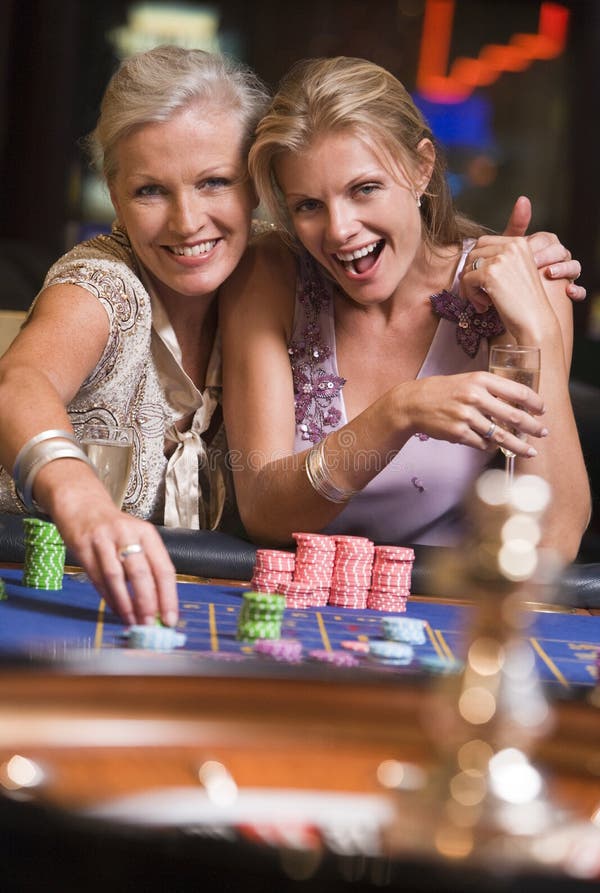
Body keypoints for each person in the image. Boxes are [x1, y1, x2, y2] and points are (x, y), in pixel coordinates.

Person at [221, 56, 590, 562]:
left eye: (364, 189)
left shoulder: (519, 288)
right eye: (309, 205)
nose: (339, 230)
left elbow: (550, 545)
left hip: (442, 610)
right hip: (291, 597)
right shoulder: (271, 276)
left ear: (421, 168)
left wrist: (536, 326)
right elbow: (266, 511)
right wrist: (401, 410)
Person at [0, 45, 270, 625]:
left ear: (256, 184)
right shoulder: (102, 284)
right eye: (151, 190)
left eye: (215, 182)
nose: (187, 221)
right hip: (36, 600)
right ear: (114, 192)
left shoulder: (275, 276)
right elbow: (19, 382)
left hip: (195, 615)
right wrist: (80, 497)